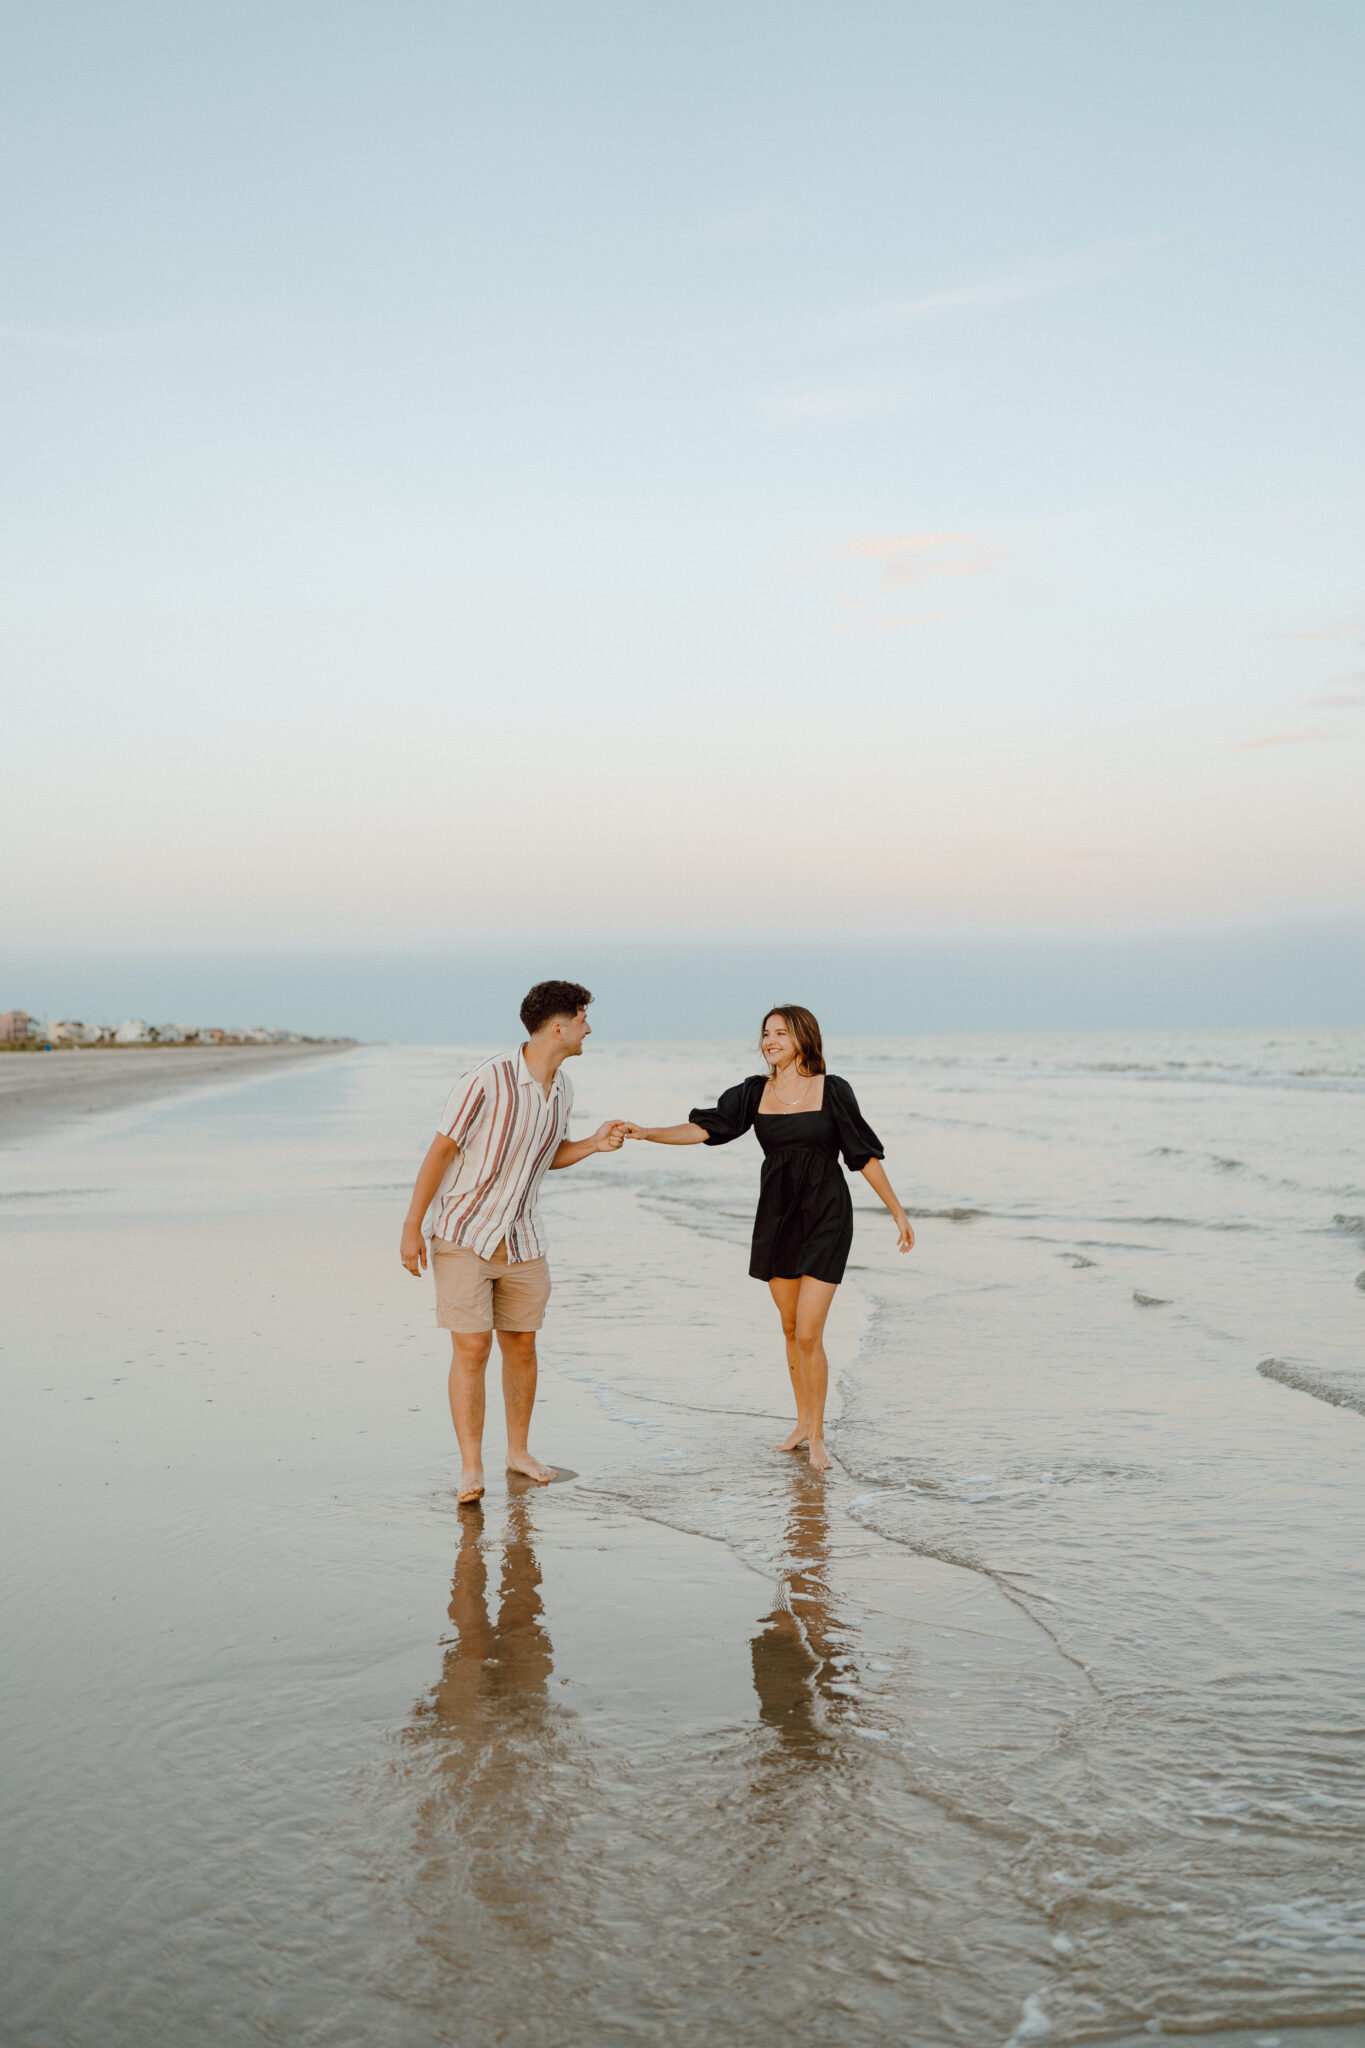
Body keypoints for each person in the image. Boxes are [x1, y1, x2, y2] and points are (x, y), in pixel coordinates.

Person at [623, 1005, 913, 1471]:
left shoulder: (833, 1090)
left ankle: (818, 1435)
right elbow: (705, 1128)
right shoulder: (754, 1092)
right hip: (778, 1216)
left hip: (827, 1216)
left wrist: (897, 1212)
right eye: (765, 1033)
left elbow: (862, 1155)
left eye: (780, 1032)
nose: (770, 1040)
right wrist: (647, 1133)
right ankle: (801, 1422)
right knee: (789, 1328)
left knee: (810, 1330)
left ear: (803, 1037)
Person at [400, 980, 626, 1505]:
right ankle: (471, 1466)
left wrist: (593, 1144)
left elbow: (545, 1156)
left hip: (523, 1238)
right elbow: (439, 1153)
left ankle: (519, 1453)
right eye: (583, 1018)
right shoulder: (486, 1080)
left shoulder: (563, 1088)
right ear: (559, 1026)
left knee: (522, 1344)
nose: (589, 1028)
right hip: (463, 1232)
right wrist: (412, 1226)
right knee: (472, 1346)